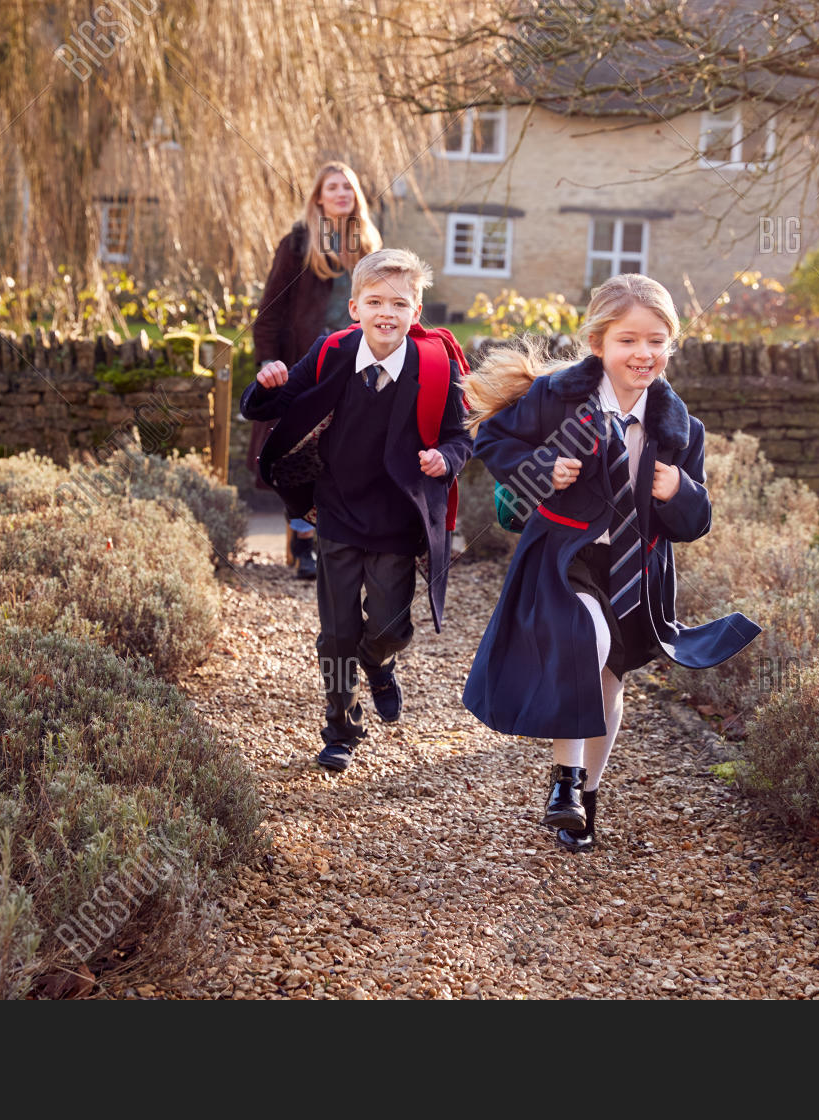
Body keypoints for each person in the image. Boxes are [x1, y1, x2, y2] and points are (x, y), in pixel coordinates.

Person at [461, 273, 761, 851]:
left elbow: (694, 526)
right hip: (564, 557)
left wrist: (681, 492)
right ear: (598, 343)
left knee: (608, 679)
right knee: (586, 638)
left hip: (635, 573)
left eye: (656, 340)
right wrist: (543, 469)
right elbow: (493, 440)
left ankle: (586, 800)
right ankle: (564, 784)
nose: (643, 353)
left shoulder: (679, 428)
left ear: (670, 345)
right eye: (627, 340)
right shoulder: (557, 398)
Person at [242, 248, 473, 772]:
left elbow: (463, 436)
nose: (386, 313)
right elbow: (269, 406)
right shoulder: (331, 352)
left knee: (391, 626)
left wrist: (445, 458)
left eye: (399, 303)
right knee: (337, 634)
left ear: (416, 311)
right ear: (354, 308)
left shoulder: (435, 366)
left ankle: (379, 660)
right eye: (375, 301)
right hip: (338, 513)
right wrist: (265, 384)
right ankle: (341, 726)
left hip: (397, 518)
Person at [250, 161, 382, 579]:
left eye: (348, 186)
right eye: (332, 187)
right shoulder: (298, 243)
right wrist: (270, 362)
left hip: (355, 365)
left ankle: (332, 539)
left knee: (344, 453)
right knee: (302, 451)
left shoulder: (368, 246)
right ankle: (304, 543)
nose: (342, 193)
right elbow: (270, 311)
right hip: (307, 364)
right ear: (318, 197)